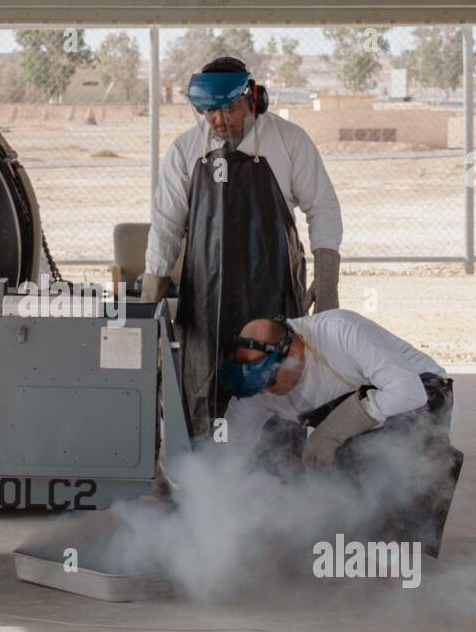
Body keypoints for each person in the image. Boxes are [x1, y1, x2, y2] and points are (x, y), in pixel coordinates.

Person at [140, 56, 343, 438]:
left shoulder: (289, 141)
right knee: (206, 387)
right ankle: (211, 476)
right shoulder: (185, 149)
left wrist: (327, 278)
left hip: (274, 289)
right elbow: (166, 223)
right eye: (209, 112)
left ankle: (281, 474)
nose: (220, 121)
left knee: (276, 379)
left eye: (229, 108)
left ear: (254, 99)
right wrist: (153, 284)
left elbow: (323, 207)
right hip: (206, 297)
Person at [218, 310, 463, 556]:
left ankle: (396, 542)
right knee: (278, 444)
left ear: (292, 354)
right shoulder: (256, 393)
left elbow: (409, 392)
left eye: (268, 383)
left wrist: (332, 432)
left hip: (419, 396)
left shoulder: (341, 331)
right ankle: (341, 524)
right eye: (256, 389)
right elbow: (231, 448)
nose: (263, 394)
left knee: (385, 449)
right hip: (346, 410)